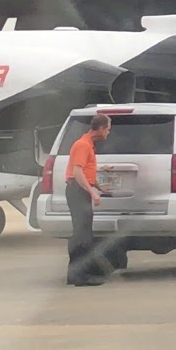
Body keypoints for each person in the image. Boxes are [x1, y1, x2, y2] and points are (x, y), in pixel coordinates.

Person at [65, 113, 111, 286]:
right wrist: (92, 193)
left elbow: (86, 172)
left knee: (82, 233)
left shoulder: (88, 145)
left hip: (80, 190)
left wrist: (98, 187)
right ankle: (79, 275)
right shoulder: (83, 145)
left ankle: (74, 274)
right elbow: (77, 172)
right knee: (82, 235)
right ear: (99, 128)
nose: (108, 133)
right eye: (107, 129)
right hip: (78, 192)